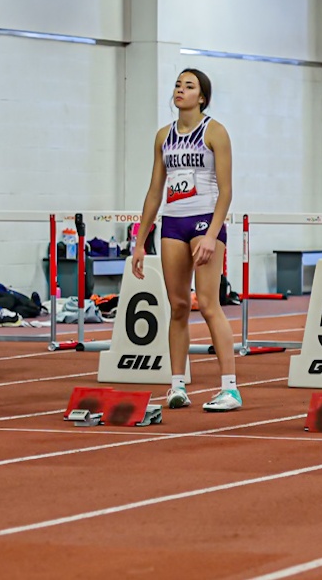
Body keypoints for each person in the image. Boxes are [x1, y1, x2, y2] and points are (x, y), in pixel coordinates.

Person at [129, 69, 241, 412]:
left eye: (189, 86)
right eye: (178, 85)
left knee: (208, 304)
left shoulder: (215, 132)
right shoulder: (163, 136)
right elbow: (154, 191)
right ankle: (177, 385)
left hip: (205, 219)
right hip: (173, 224)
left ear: (202, 97)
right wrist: (140, 240)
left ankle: (230, 388)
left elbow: (226, 191)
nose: (180, 90)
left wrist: (211, 235)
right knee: (177, 306)